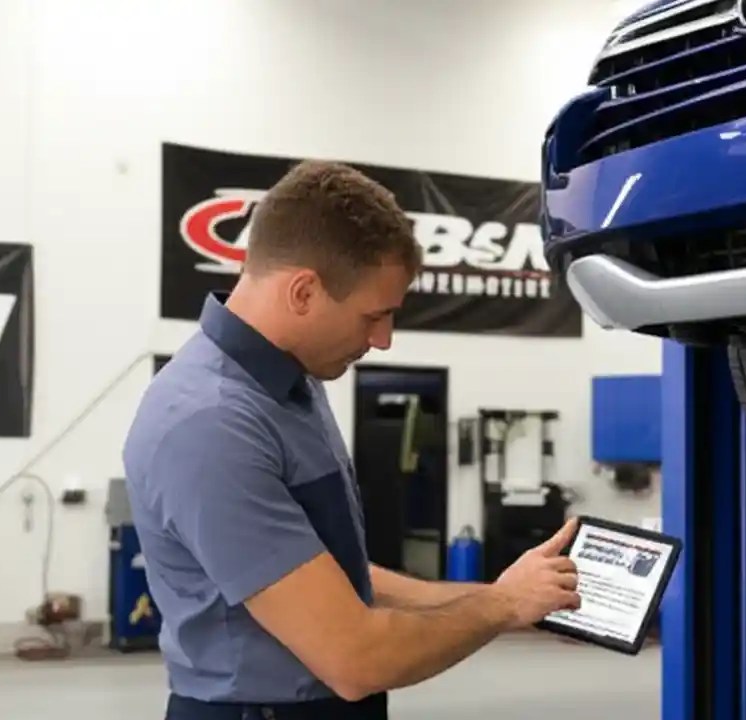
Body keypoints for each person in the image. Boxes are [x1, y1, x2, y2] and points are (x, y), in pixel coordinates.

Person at [122, 160, 582, 720]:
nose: (383, 340)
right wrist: (502, 607)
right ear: (303, 292)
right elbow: (354, 657)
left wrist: (500, 592)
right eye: (375, 316)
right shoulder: (210, 421)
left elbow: (338, 576)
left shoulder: (293, 384)